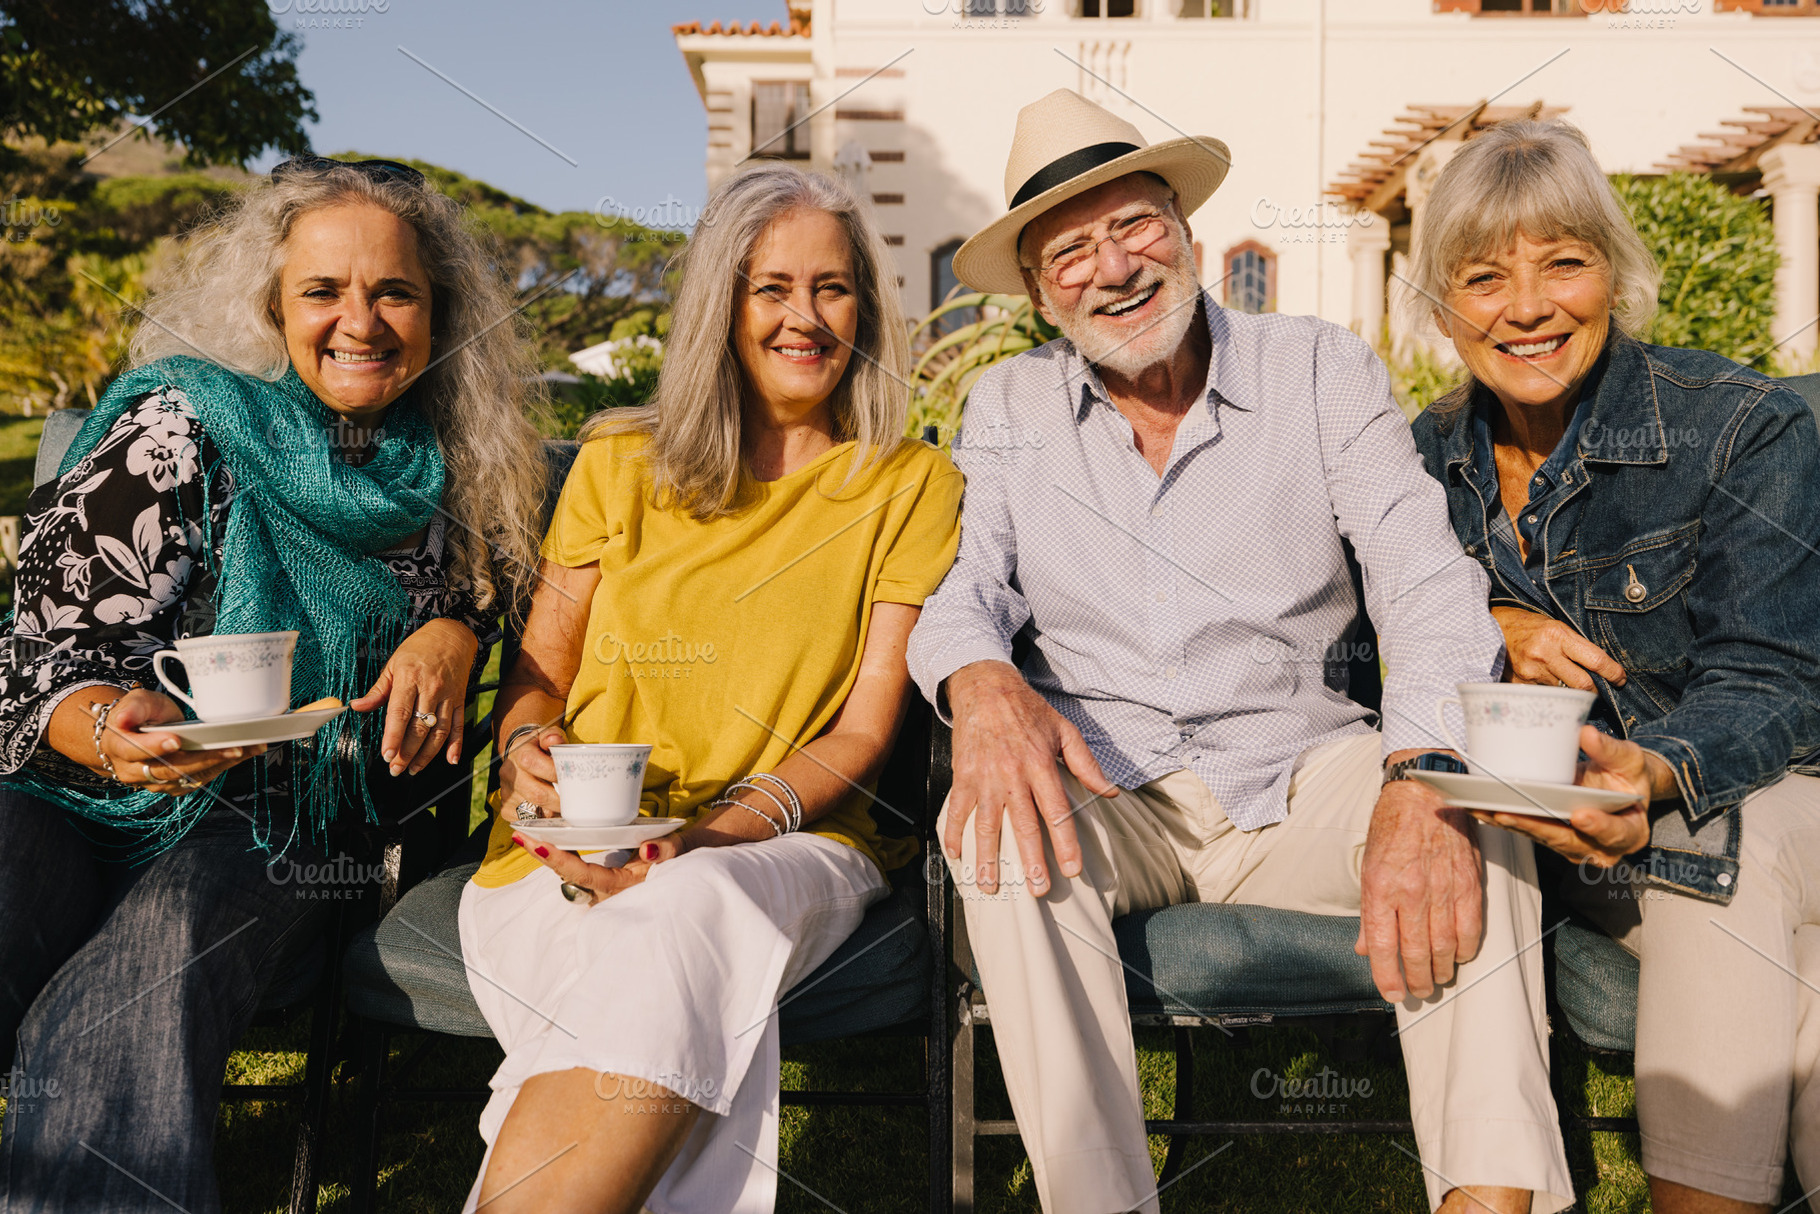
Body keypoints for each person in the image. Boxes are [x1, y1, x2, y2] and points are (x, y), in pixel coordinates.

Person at [907, 88, 1577, 1214]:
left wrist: (1420, 771)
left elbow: (1421, 574)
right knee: (991, 836)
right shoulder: (1008, 405)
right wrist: (979, 685)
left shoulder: (1316, 367)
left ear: (1184, 229)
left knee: (1477, 807)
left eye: (1133, 225)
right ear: (1036, 290)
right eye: (1070, 252)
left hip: (1298, 774)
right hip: (1108, 784)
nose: (1113, 268)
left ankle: (1487, 1194)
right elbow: (961, 588)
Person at [0, 155, 547, 1212]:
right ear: (273, 305)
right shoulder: (180, 429)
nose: (361, 322)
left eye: (395, 292)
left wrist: (456, 628)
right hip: (73, 786)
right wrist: (108, 729)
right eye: (323, 290)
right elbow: (33, 649)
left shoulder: (465, 468)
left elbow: (511, 597)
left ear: (439, 312)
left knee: (149, 963)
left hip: (288, 813)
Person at [458, 161, 961, 1214]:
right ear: (720, 308)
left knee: (687, 904)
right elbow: (537, 678)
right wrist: (524, 752)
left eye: (831, 287)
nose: (803, 317)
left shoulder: (907, 484)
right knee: (657, 971)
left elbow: (865, 728)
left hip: (788, 846)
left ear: (864, 309)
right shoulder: (617, 463)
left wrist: (711, 838)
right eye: (770, 287)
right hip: (566, 851)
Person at [1405, 119, 1820, 1214]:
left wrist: (1655, 771)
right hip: (1566, 852)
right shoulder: (1415, 465)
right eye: (1483, 277)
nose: (1525, 306)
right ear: (1441, 307)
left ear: (1614, 273)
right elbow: (1358, 658)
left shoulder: (1740, 427)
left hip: (1775, 802)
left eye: (1563, 263)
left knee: (1713, 841)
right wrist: (1485, 616)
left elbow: (1774, 682)